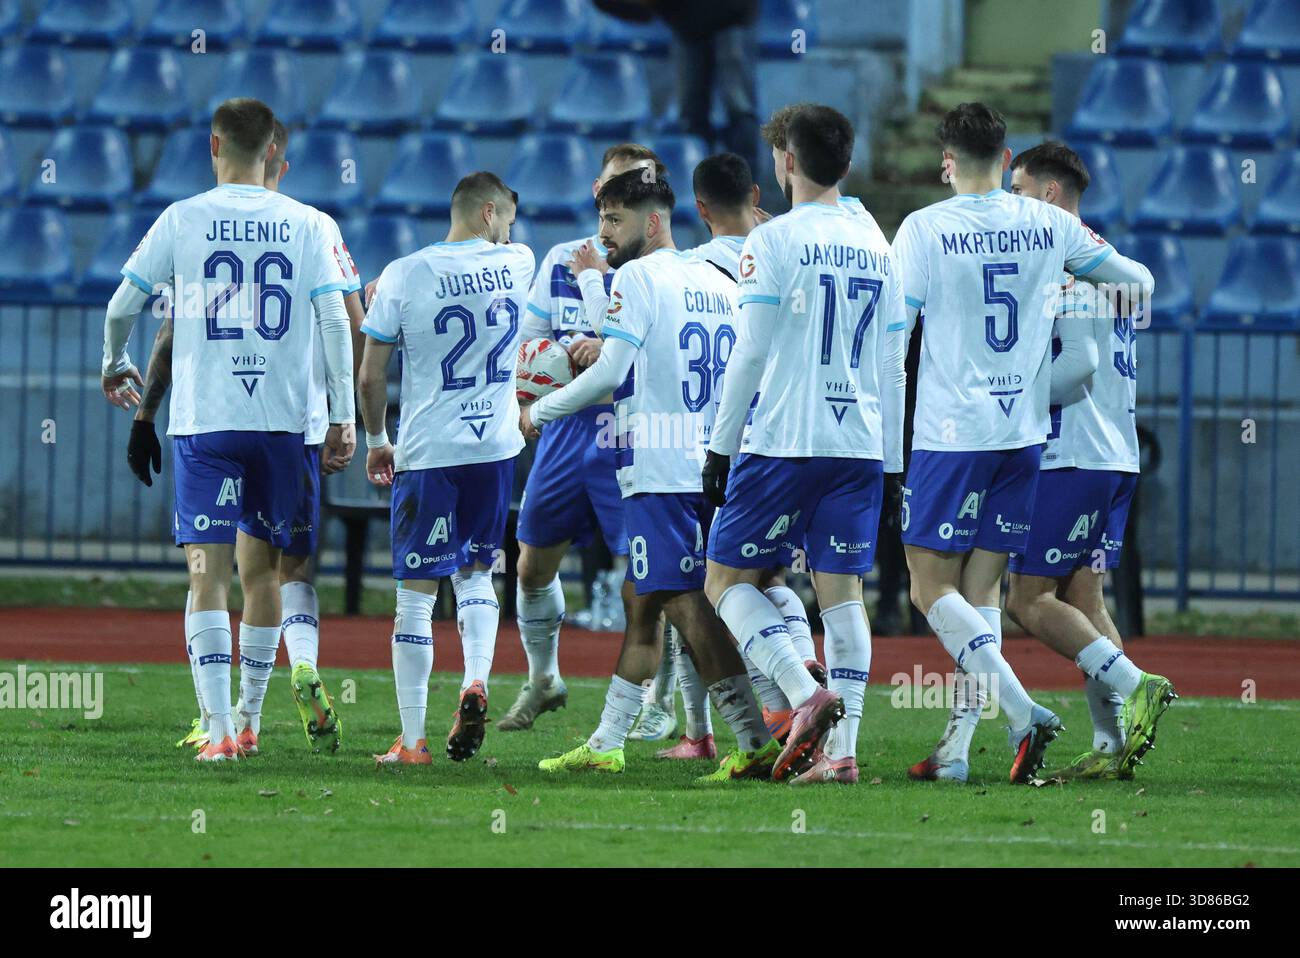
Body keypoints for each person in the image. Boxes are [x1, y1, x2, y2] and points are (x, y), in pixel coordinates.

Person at [890, 103, 1156, 784]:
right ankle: (956, 750)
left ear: (946, 162)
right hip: (1024, 438)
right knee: (983, 591)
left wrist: (891, 444)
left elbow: (894, 340)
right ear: (1005, 159)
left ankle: (1029, 708)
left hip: (952, 434)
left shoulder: (925, 228)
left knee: (928, 587)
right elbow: (1139, 285)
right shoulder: (1051, 225)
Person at [101, 97, 356, 762]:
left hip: (207, 421)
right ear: (273, 150)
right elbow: (336, 320)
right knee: (264, 578)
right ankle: (249, 719)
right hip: (280, 425)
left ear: (214, 145)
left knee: (205, 576)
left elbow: (124, 304)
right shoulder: (307, 222)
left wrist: (112, 364)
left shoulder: (183, 218)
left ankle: (217, 732)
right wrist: (344, 416)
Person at [523, 170, 777, 781]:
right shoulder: (713, 279)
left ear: (654, 221)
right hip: (711, 462)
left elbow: (610, 373)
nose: (604, 234)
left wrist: (539, 410)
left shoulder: (636, 277)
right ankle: (609, 740)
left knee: (687, 603)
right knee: (646, 600)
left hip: (659, 471)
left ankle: (752, 738)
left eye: (615, 220)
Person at [702, 104, 908, 785]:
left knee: (725, 579)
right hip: (858, 444)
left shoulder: (775, 240)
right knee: (841, 593)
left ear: (787, 162)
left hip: (786, 437)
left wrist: (719, 449)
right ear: (845, 164)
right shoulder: (880, 244)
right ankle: (843, 753)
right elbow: (892, 363)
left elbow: (752, 352)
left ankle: (800, 693)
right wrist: (893, 466)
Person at [1003, 142, 1174, 781]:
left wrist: (1009, 399)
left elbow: (1078, 365)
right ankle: (1112, 743)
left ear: (1049, 196)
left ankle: (1136, 686)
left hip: (1073, 453)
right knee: (1084, 594)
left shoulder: (1069, 267)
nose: (1011, 203)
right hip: (1114, 453)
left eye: (1017, 191)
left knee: (1026, 597)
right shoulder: (1108, 261)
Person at [358, 172, 533, 765]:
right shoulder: (521, 264)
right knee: (478, 575)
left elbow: (370, 375)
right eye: (507, 219)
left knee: (415, 598)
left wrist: (377, 439)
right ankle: (475, 680)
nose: (512, 232)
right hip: (495, 449)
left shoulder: (406, 273)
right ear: (488, 214)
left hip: (430, 451)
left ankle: (412, 743)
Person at [496, 144, 665, 734]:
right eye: (608, 187)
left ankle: (657, 703)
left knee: (650, 575)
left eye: (628, 190)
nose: (611, 200)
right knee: (532, 563)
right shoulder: (563, 258)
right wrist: (545, 376)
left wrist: (606, 344)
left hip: (631, 429)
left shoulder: (662, 267)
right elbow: (528, 341)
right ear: (597, 188)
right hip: (567, 430)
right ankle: (545, 678)